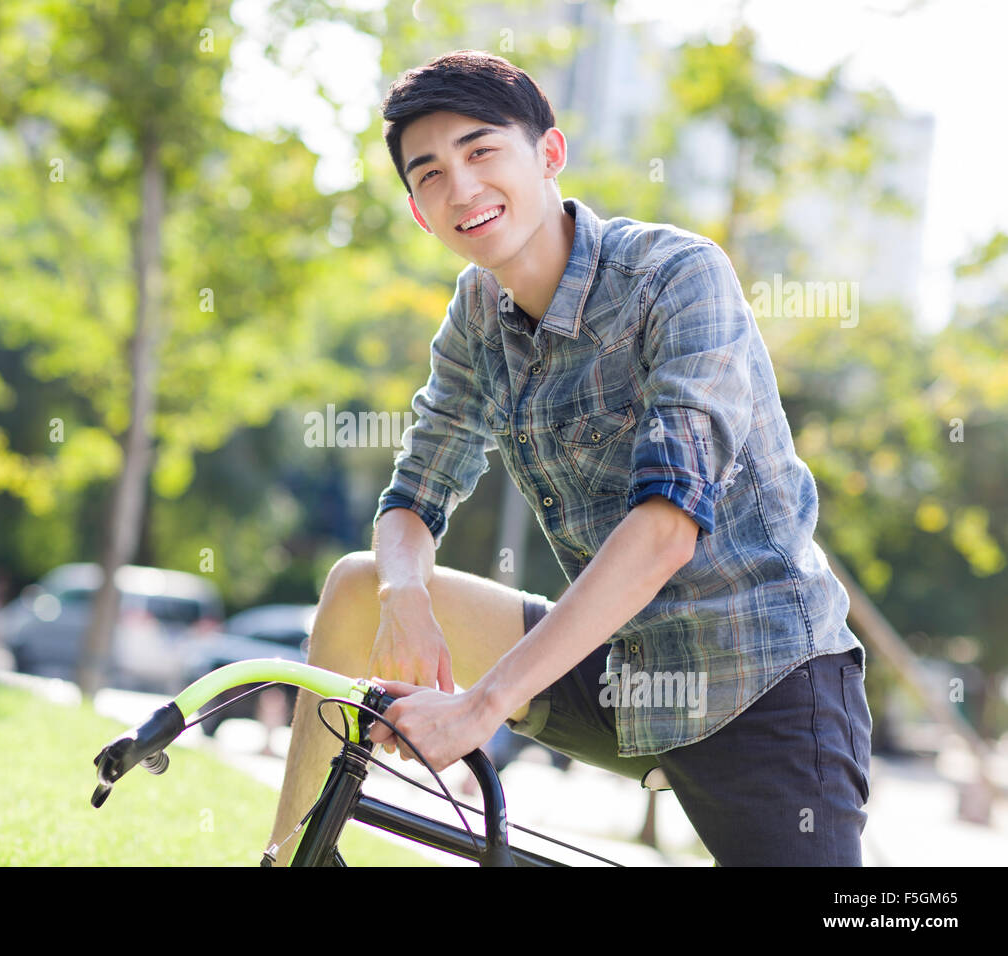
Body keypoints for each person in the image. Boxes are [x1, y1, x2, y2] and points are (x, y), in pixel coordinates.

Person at [267, 50, 871, 866]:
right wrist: (405, 595)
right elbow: (412, 498)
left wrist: (480, 707)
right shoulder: (477, 313)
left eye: (482, 152)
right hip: (618, 670)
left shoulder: (677, 277)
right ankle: (284, 860)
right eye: (432, 174)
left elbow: (666, 530)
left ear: (549, 155)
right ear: (417, 210)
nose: (463, 189)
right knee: (356, 588)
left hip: (761, 684)